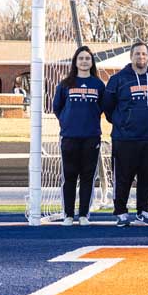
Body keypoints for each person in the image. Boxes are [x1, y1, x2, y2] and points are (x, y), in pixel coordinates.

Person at [103, 41, 148, 227]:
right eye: (137, 54)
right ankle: (121, 213)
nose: (141, 57)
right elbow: (107, 107)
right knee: (123, 177)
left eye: (144, 54)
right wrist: (124, 122)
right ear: (131, 56)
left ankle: (143, 211)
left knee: (147, 177)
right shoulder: (118, 79)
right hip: (125, 138)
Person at [52, 45, 105, 226]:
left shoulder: (98, 84)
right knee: (70, 176)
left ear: (92, 62)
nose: (84, 61)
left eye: (87, 59)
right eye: (81, 58)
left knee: (88, 176)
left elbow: (103, 107)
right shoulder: (65, 84)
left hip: (91, 136)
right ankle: (68, 214)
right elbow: (57, 107)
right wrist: (67, 122)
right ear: (75, 61)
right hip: (70, 136)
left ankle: (83, 214)